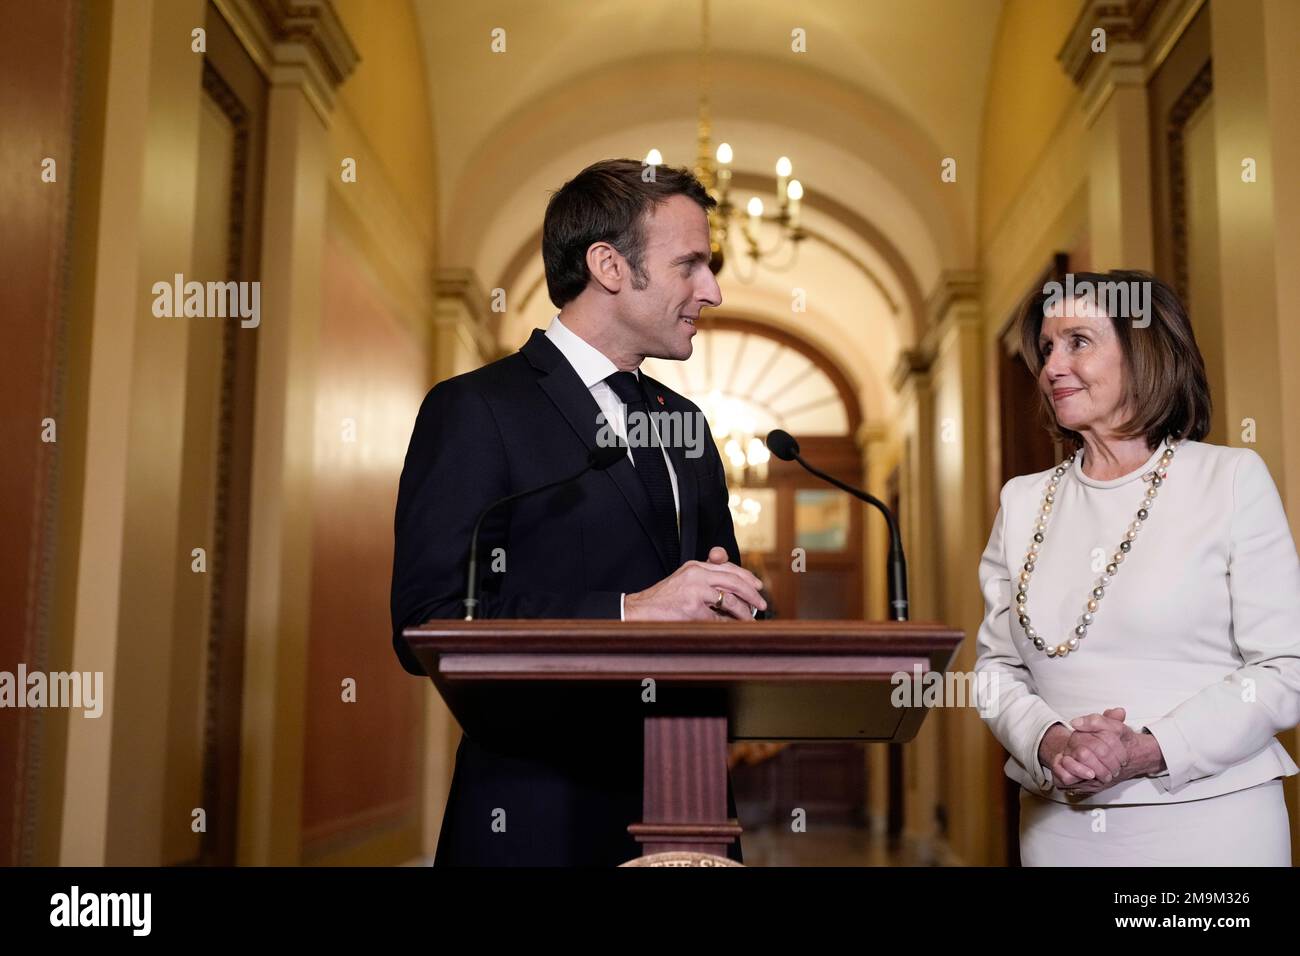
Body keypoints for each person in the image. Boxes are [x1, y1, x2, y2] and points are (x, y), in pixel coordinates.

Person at [390, 158, 766, 866]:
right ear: (609, 267)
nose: (712, 291)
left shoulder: (684, 420)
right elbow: (427, 620)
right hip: (533, 815)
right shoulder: (477, 409)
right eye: (691, 264)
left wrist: (734, 607)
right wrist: (627, 610)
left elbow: (719, 587)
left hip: (689, 806)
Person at [975, 270, 1300, 865]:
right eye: (1047, 349)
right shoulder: (1021, 501)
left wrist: (1148, 749)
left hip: (1214, 824)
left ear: (1144, 353)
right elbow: (995, 668)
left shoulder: (1228, 480)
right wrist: (1050, 743)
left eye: (1078, 341)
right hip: (1060, 830)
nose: (1051, 367)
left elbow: (1285, 666)